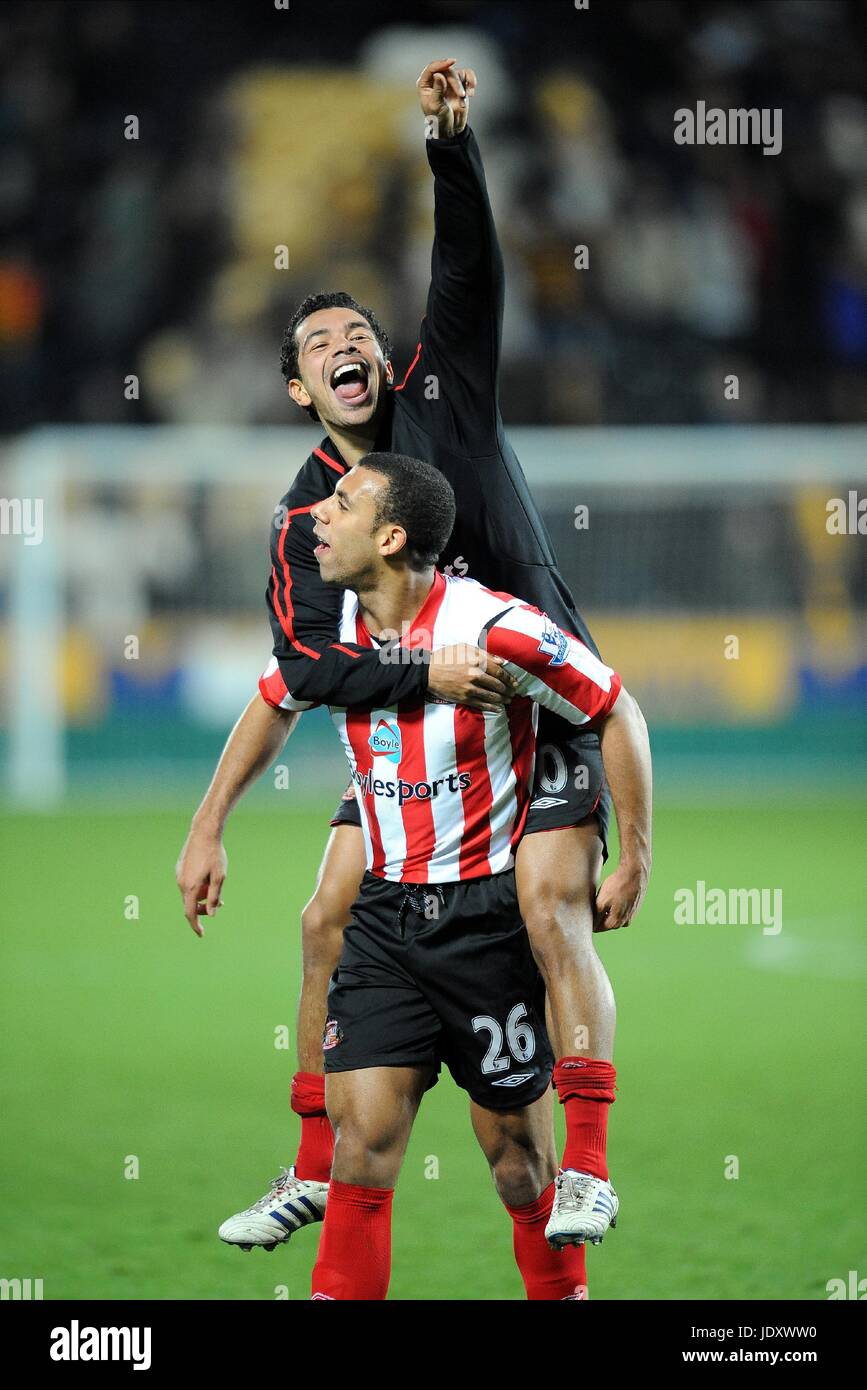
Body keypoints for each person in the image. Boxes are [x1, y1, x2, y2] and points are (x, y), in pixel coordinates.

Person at [176, 58, 652, 1258]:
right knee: (323, 913)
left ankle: (585, 1170)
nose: (348, 343)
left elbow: (465, 267)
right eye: (321, 340)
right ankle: (310, 1163)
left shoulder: (447, 390)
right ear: (297, 389)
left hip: (525, 696)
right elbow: (302, 672)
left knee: (549, 904)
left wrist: (450, 144)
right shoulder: (306, 520)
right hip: (424, 723)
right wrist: (208, 820)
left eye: (360, 332)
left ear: (386, 363)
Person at [265, 450, 648, 1299]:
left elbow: (614, 706)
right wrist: (206, 824)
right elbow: (277, 693)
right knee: (361, 1147)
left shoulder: (493, 627)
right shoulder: (327, 635)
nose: (315, 518)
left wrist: (639, 855)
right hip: (384, 920)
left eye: (341, 504)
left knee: (517, 1163)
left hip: (486, 919)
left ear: (392, 536)